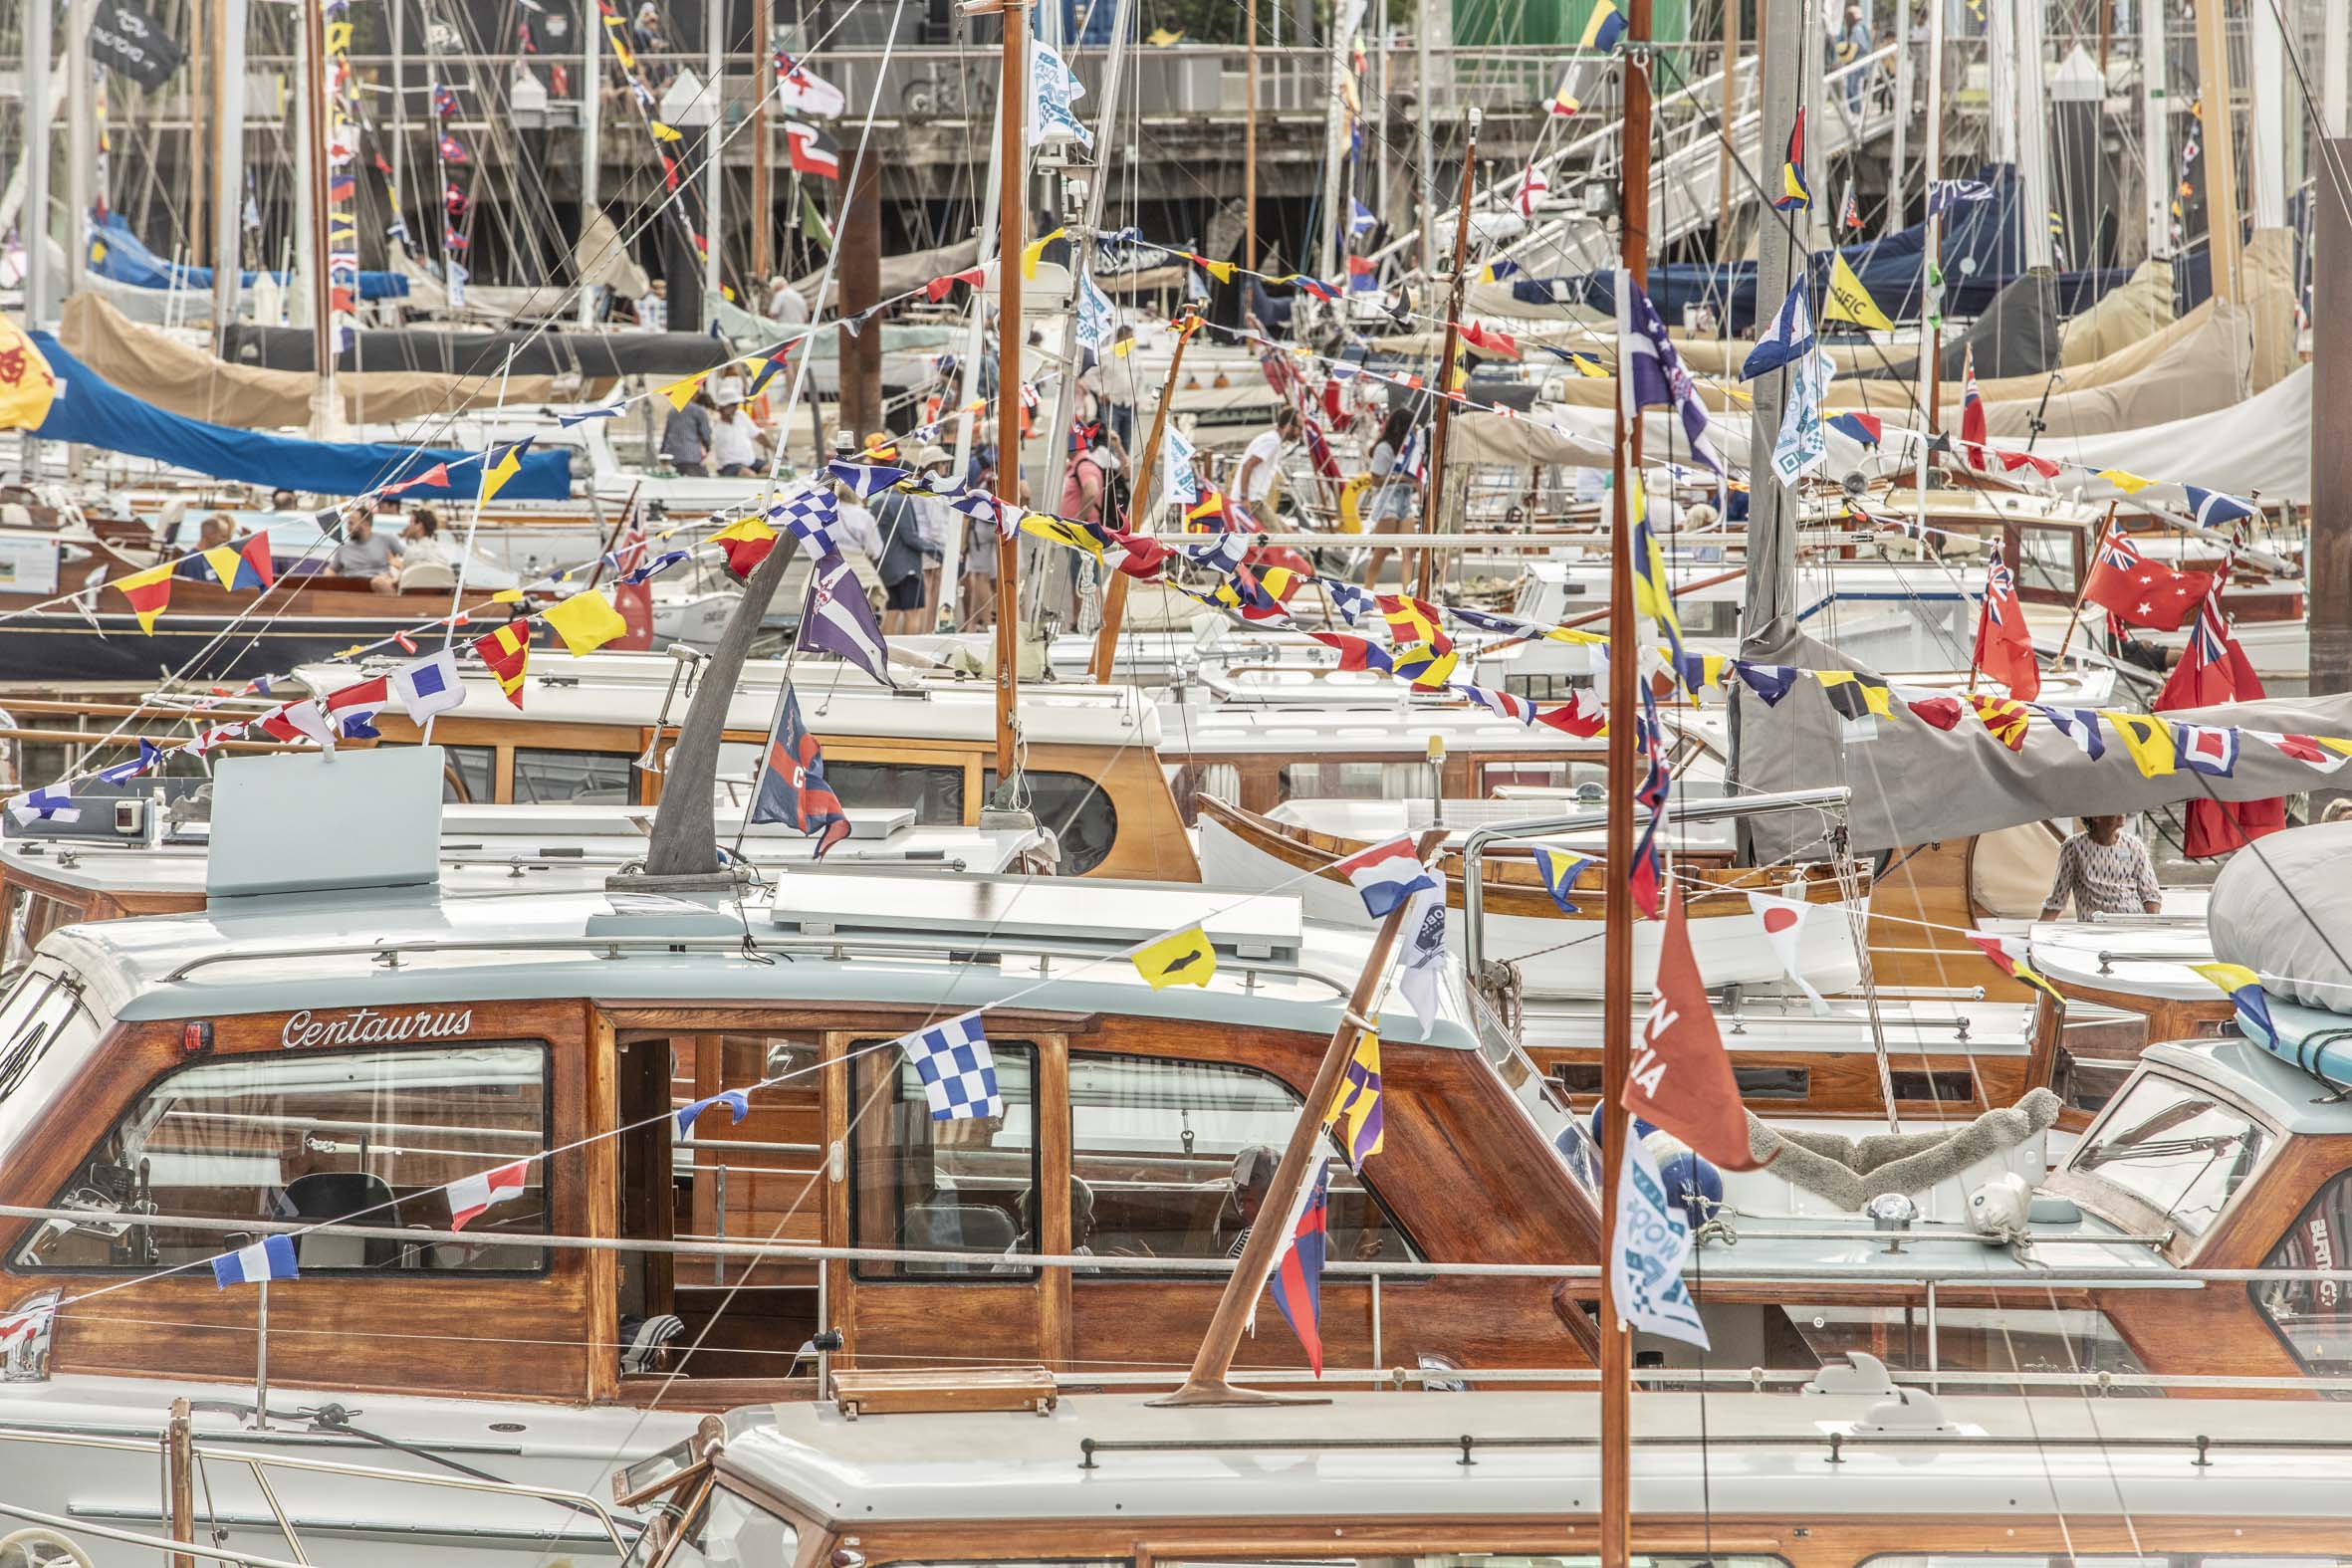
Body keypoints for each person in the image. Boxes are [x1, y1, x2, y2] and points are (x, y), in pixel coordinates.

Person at [2040, 814, 2164, 918]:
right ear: (2096, 816)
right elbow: (2057, 900)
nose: (2122, 811)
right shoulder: (2073, 847)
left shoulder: (2133, 845)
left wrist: (2150, 928)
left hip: (2132, 923)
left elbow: (2151, 895)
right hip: (2095, 927)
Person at [867, 438, 929, 635]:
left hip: (886, 565)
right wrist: (937, 550)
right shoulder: (901, 501)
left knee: (891, 611)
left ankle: (889, 656)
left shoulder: (878, 500)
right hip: (906, 567)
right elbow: (910, 536)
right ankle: (911, 655)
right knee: (913, 612)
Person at [1357, 406, 1422, 589]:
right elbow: (1376, 480)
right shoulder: (1384, 448)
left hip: (1405, 499)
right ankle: (1368, 591)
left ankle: (1407, 593)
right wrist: (1401, 478)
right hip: (1388, 501)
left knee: (1409, 550)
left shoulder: (1410, 450)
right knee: (1382, 551)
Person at [1234, 404, 1299, 522]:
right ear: (1289, 427)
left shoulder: (1273, 440)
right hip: (1252, 501)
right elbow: (1247, 466)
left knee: (1288, 533)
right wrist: (1244, 498)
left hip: (1256, 500)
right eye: (1300, 428)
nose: (1301, 433)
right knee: (1278, 537)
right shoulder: (1271, 442)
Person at [1223, 1145, 1280, 1258]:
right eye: (1236, 1180)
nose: (1241, 1186)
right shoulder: (1237, 1243)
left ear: (1277, 1184)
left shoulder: (1311, 1240)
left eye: (1252, 1178)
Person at [331, 509, 401, 593]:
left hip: (379, 588)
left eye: (351, 523)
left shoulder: (386, 540)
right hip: (351, 591)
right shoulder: (343, 548)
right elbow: (332, 569)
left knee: (378, 582)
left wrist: (397, 564)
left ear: (366, 524)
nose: (347, 527)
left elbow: (407, 561)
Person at [709, 384, 765, 476]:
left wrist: (773, 447)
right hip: (728, 466)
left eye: (736, 405)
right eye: (732, 405)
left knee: (773, 470)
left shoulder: (741, 416)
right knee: (749, 474)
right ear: (723, 407)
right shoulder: (715, 425)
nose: (735, 408)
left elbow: (757, 434)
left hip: (750, 461)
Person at [660, 386, 714, 476]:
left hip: (671, 457)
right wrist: (708, 448)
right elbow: (706, 435)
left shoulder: (672, 411)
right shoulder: (698, 411)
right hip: (690, 457)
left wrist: (662, 455)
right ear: (694, 395)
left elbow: (666, 436)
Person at [174, 513, 237, 580]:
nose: (226, 540)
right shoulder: (193, 561)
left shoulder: (208, 559)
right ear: (210, 535)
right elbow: (194, 589)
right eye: (223, 536)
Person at [399, 507, 449, 572]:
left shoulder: (411, 552)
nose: (408, 526)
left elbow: (401, 579)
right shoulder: (442, 552)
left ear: (419, 526)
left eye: (411, 522)